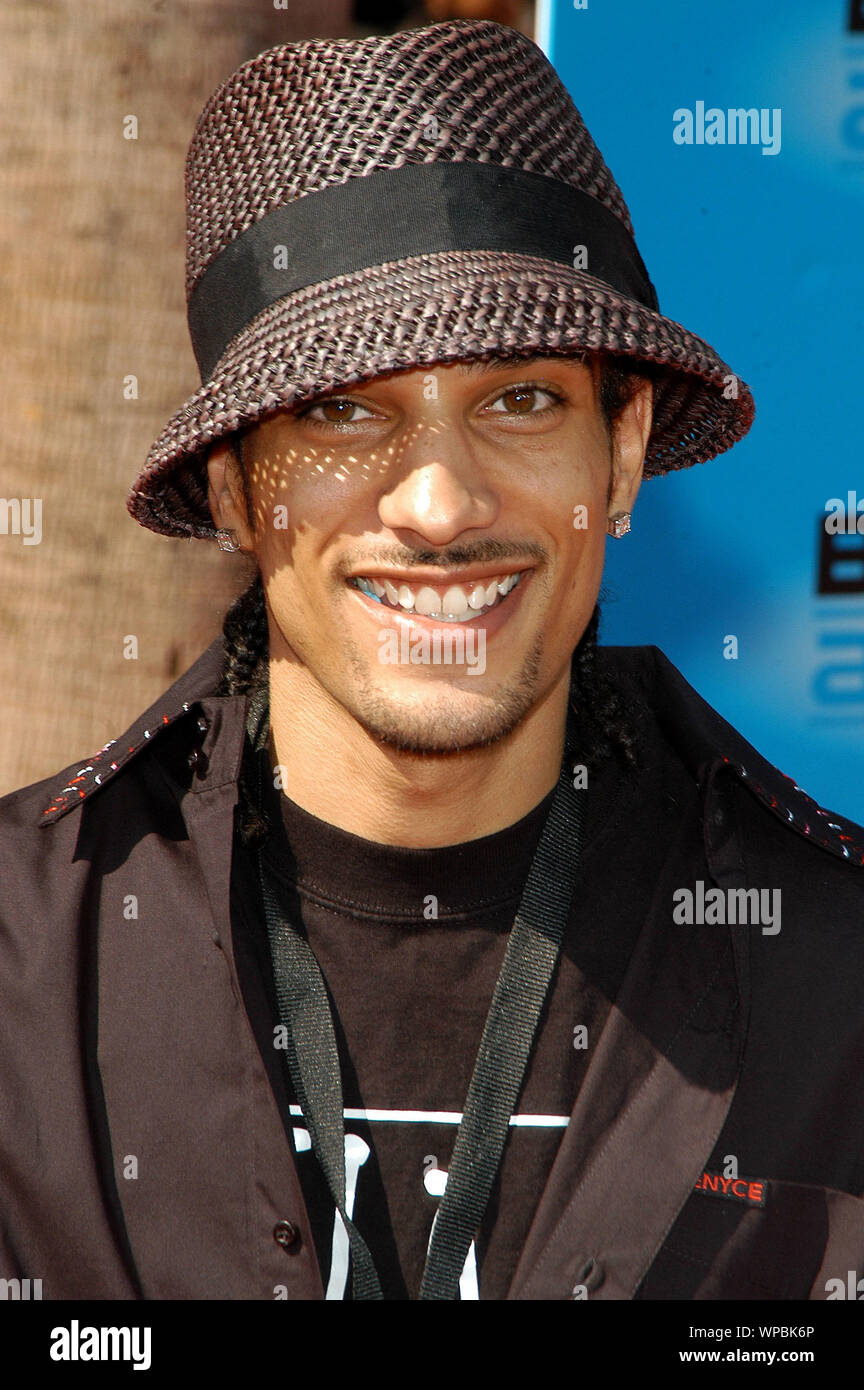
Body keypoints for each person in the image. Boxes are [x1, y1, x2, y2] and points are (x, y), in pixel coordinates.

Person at [2, 18, 863, 1304]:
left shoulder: (835, 974)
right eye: (344, 410)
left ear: (620, 454)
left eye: (518, 398)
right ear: (234, 489)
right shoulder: (23, 964)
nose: (441, 506)